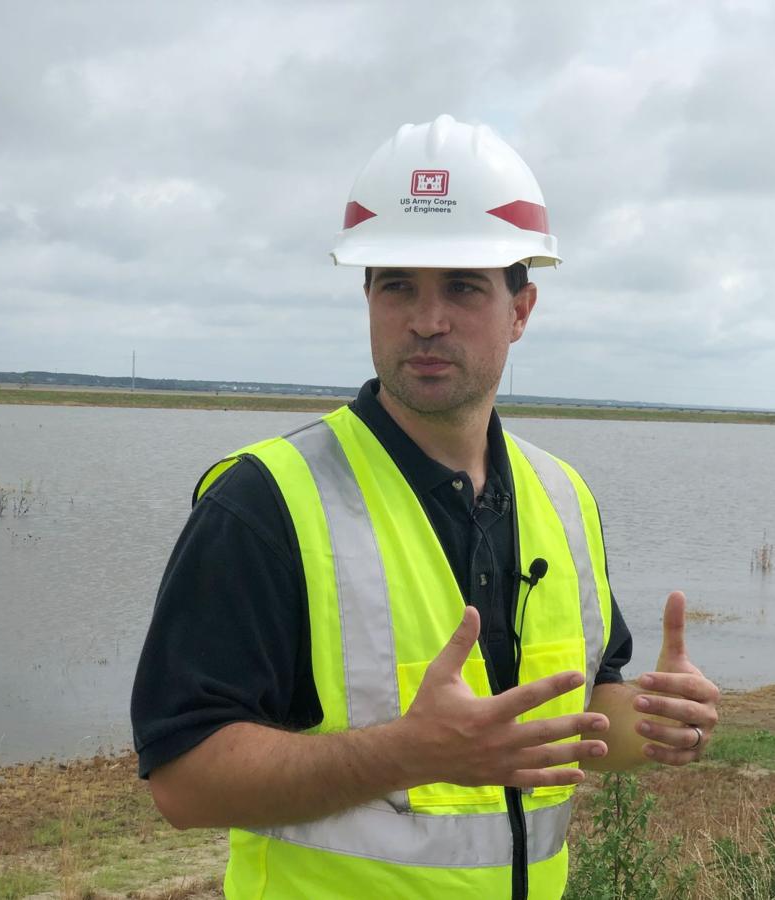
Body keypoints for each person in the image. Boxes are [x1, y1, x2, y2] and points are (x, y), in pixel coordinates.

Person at [131, 114, 719, 900]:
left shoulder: (563, 498)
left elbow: (581, 713)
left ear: (522, 310)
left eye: (463, 287)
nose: (426, 319)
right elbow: (182, 779)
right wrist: (411, 754)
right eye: (398, 284)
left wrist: (654, 720)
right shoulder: (264, 504)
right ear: (367, 297)